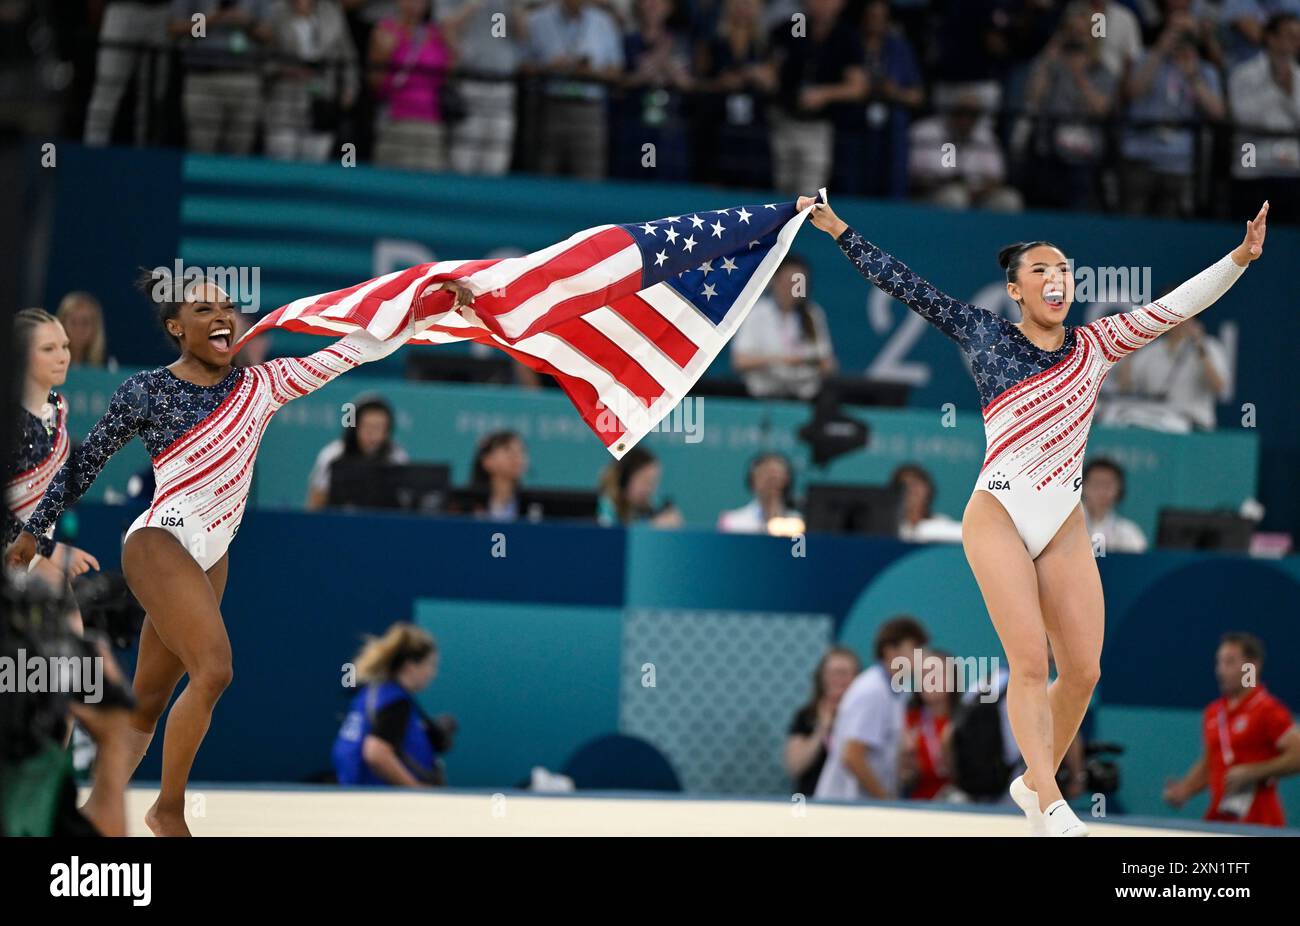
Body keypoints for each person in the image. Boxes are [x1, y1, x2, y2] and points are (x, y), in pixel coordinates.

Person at [802, 194, 1267, 835]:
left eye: (1066, 272)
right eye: (1042, 271)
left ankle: (1029, 778)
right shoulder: (983, 332)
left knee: (1083, 670)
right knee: (1027, 661)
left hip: (1063, 522)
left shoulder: (1095, 345)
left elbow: (1174, 308)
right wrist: (839, 230)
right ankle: (1048, 800)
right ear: (1015, 290)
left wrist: (1239, 259)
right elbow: (905, 284)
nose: (1058, 281)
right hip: (997, 510)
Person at [4, 274, 467, 835]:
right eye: (204, 309)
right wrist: (36, 528)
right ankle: (167, 811)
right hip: (159, 542)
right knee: (215, 669)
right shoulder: (146, 390)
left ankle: (90, 824)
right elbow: (84, 464)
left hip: (211, 555)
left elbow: (352, 351)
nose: (223, 316)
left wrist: (424, 310)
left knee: (147, 701)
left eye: (228, 307)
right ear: (176, 327)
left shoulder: (263, 384)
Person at [4, 310, 102, 632]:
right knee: (69, 639)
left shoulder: (58, 407)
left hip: (32, 553)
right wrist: (50, 550)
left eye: (65, 346)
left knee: (62, 651)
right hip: (16, 551)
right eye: (48, 349)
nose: (62, 357)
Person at [1164, 633, 1300, 826]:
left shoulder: (1267, 710)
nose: (1220, 671)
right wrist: (1185, 789)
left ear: (1251, 666)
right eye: (1219, 662)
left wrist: (1254, 772)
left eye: (1229, 662)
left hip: (1261, 823)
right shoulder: (1213, 712)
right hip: (1221, 820)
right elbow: (1212, 760)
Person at [814, 616, 928, 801]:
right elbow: (852, 755)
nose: (921, 656)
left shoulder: (897, 691)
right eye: (914, 649)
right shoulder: (872, 691)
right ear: (891, 652)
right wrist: (885, 800)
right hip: (845, 809)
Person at [1120, 18, 1225, 218]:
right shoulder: (1145, 59)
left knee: (1172, 224)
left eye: (1188, 35)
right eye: (1176, 33)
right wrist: (1159, 52)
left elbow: (1217, 113)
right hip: (1141, 154)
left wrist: (1193, 76)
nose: (1182, 40)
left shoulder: (1205, 70)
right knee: (1131, 219)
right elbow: (1132, 92)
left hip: (1180, 160)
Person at [331, 623, 457, 786]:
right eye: (430, 665)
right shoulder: (395, 702)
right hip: (378, 804)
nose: (433, 673)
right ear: (411, 666)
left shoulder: (372, 694)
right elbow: (376, 752)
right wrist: (415, 790)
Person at [764, 0, 866, 194]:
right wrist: (768, 76)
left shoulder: (846, 36)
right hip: (784, 120)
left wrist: (824, 94)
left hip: (819, 127)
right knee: (781, 188)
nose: (822, 4)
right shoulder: (796, 26)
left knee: (810, 192)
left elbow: (857, 87)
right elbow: (773, 67)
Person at [525, 0, 625, 179]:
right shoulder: (538, 20)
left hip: (589, 110)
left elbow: (616, 72)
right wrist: (548, 68)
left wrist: (591, 72)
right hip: (551, 107)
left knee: (589, 174)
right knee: (544, 172)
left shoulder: (603, 22)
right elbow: (522, 65)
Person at [168, 0, 269, 155]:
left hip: (245, 77)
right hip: (204, 77)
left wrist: (247, 23)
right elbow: (175, 29)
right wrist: (211, 20)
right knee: (201, 147)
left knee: (239, 150)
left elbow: (269, 36)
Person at [264, 0, 360, 162]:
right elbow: (263, 58)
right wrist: (286, 70)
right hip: (284, 103)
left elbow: (348, 55)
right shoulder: (275, 12)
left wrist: (350, 88)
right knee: (282, 162)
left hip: (322, 102)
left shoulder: (332, 12)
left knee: (315, 163)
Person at [730, 254, 836, 400]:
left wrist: (807, 363)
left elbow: (828, 363)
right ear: (774, 281)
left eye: (799, 283)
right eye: (788, 282)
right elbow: (740, 361)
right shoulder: (757, 313)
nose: (793, 289)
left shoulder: (813, 314)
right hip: (763, 397)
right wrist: (782, 361)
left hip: (805, 398)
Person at [1227, 13, 1300, 220]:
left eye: (1298, 37)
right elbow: (1244, 117)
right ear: (1271, 38)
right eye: (1289, 35)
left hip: (1292, 168)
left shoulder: (1298, 77)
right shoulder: (1244, 74)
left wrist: (1288, 91)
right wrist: (1276, 85)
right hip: (1252, 164)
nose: (1295, 42)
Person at [370, 0, 452, 172]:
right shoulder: (385, 30)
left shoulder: (436, 34)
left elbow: (448, 74)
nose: (415, 4)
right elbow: (375, 83)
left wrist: (452, 44)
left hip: (430, 122)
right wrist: (385, 53)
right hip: (397, 120)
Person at [83, 0, 172, 146]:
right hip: (122, 8)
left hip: (162, 10)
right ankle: (93, 153)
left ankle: (145, 158)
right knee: (107, 88)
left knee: (154, 97)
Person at [306, 395, 410, 510]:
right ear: (354, 427)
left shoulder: (397, 457)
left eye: (379, 428)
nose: (373, 434)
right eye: (368, 427)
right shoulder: (332, 455)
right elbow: (316, 502)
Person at [784, 646, 860, 796]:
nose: (838, 679)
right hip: (813, 801)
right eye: (832, 673)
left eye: (844, 673)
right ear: (821, 677)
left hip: (854, 800)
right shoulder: (806, 716)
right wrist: (821, 730)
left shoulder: (863, 717)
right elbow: (795, 766)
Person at [597, 446, 682, 527]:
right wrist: (651, 528)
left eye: (654, 482)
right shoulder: (603, 506)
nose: (650, 489)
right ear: (624, 480)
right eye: (645, 481)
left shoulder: (651, 508)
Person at [717, 452, 800, 533]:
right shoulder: (732, 522)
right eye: (766, 475)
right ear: (752, 480)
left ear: (787, 481)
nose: (772, 483)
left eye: (777, 477)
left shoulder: (799, 521)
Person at [1080, 458, 1147, 553]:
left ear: (1119, 489)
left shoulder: (1129, 532)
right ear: (1082, 486)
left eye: (1108, 485)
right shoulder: (1065, 530)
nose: (1102, 491)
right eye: (1096, 484)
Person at [891, 463, 960, 544]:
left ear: (928, 489)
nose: (910, 490)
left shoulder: (942, 524)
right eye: (904, 486)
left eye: (915, 484)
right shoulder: (888, 528)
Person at [468, 430, 529, 521]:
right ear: (486, 460)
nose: (517, 456)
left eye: (521, 450)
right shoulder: (466, 505)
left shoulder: (532, 506)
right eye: (507, 449)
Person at [56, 291, 115, 369]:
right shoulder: (46, 361)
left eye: (85, 322)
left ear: (95, 327)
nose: (79, 329)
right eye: (73, 322)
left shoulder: (108, 366)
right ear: (62, 324)